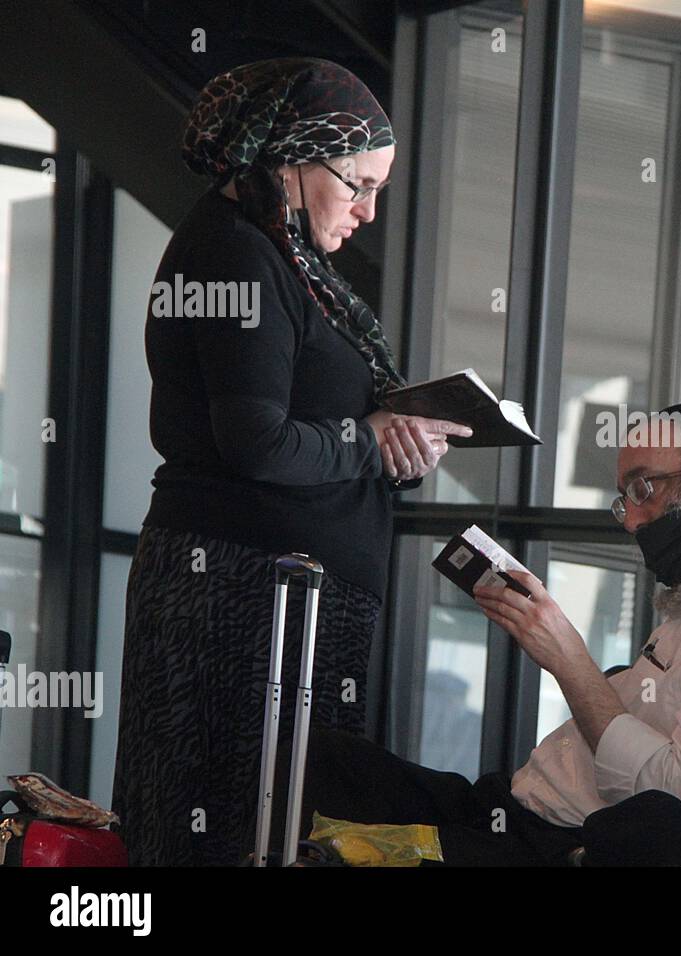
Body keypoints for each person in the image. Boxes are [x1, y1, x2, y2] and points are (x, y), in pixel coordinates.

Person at [111, 58, 469, 866]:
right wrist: (368, 439)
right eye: (358, 184)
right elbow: (258, 440)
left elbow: (313, 425)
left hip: (279, 601)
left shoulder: (283, 254)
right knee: (212, 831)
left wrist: (394, 440)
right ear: (294, 160)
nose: (370, 211)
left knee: (271, 831)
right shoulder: (236, 254)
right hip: (239, 598)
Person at [274, 400, 681, 865]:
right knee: (301, 754)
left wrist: (568, 658)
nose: (629, 518)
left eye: (644, 489)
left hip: (553, 848)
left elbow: (673, 813)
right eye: (624, 498)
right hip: (509, 809)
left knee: (323, 811)